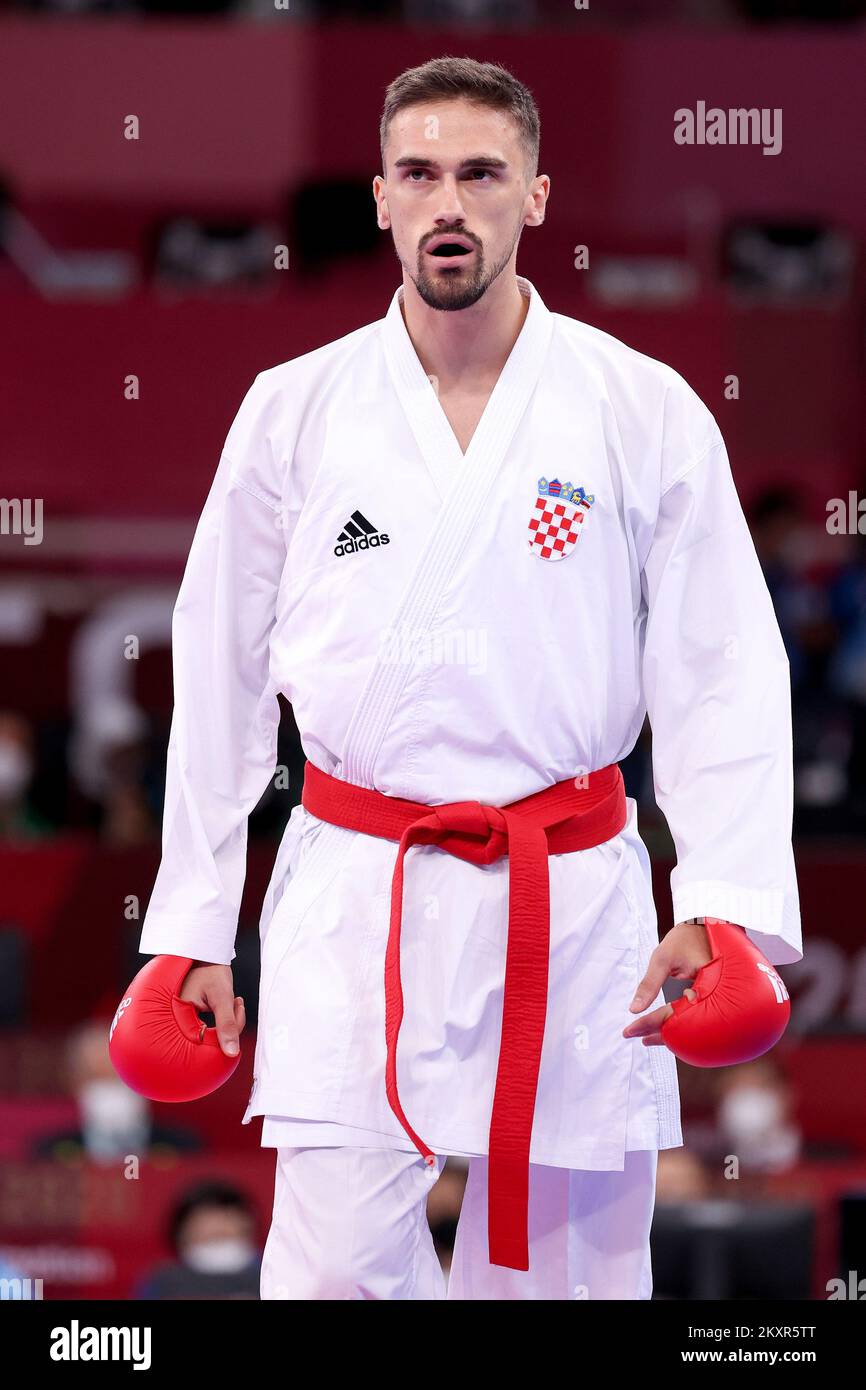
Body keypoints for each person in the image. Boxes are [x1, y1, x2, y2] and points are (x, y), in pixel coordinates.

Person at [138, 57, 802, 1300]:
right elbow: (216, 666)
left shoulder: (637, 407)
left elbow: (720, 662)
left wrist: (718, 900)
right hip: (353, 885)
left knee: (572, 1280)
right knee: (329, 1274)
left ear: (536, 196)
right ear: (381, 201)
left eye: (481, 173)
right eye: (419, 174)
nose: (450, 202)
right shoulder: (294, 409)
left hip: (572, 886)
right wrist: (189, 922)